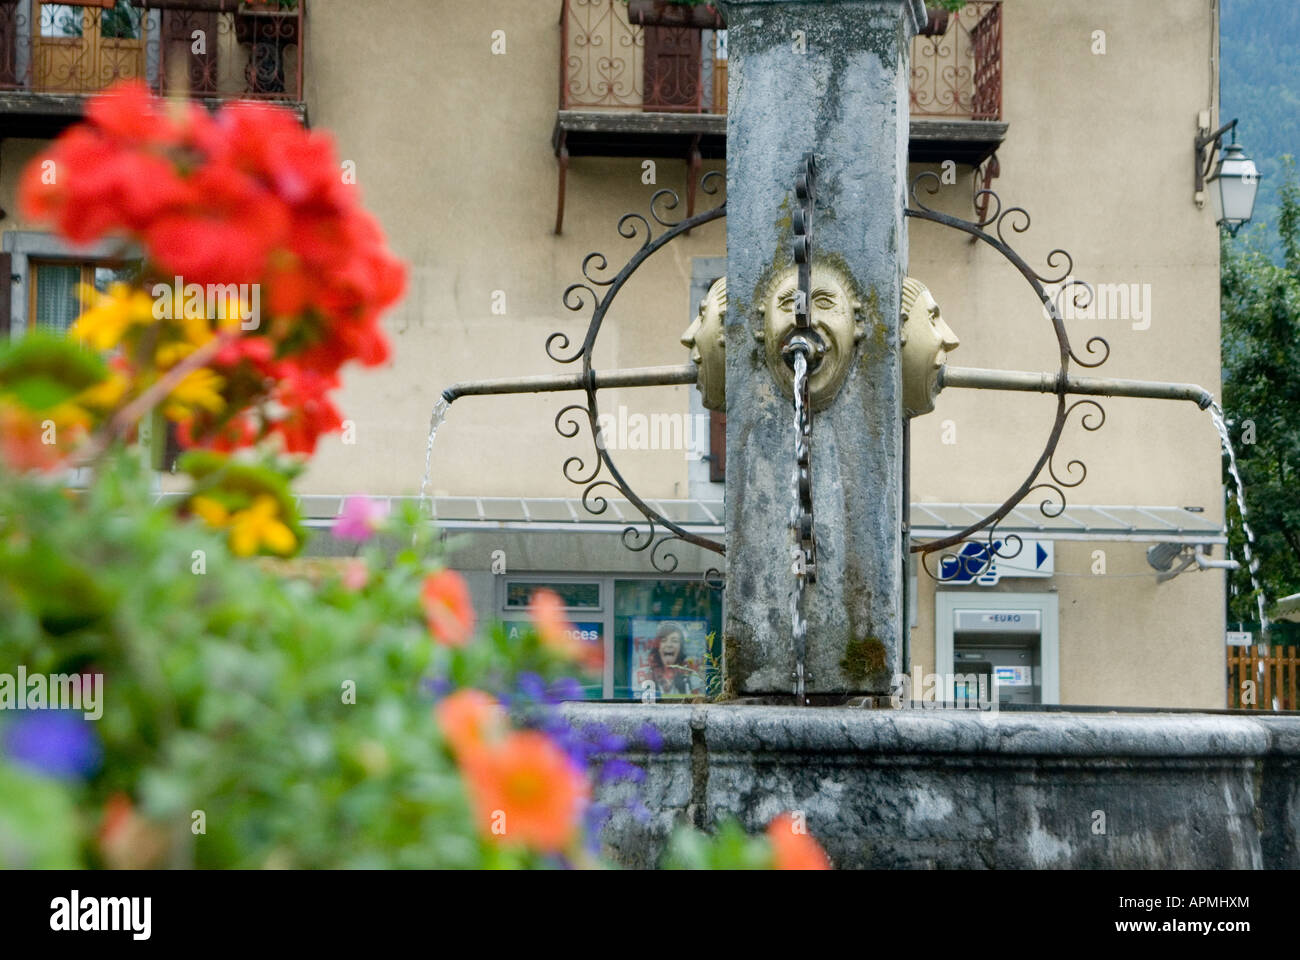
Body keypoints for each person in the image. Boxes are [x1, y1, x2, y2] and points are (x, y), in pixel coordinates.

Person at [644, 621, 702, 698]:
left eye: (674, 641)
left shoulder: (691, 676)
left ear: (680, 648)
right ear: (658, 647)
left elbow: (699, 702)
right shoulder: (647, 673)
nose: (669, 645)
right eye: (664, 641)